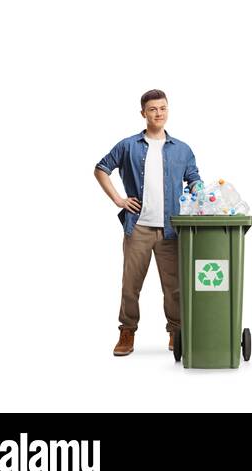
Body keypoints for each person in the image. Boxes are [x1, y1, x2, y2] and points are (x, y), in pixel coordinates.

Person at [94, 89, 203, 357]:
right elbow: (101, 168)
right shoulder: (128, 145)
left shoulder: (182, 149)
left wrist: (202, 194)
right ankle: (127, 331)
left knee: (175, 286)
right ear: (143, 113)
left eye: (163, 108)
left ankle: (176, 332)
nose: (159, 113)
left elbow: (194, 179)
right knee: (131, 285)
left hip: (171, 230)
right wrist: (119, 200)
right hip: (138, 227)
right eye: (153, 109)